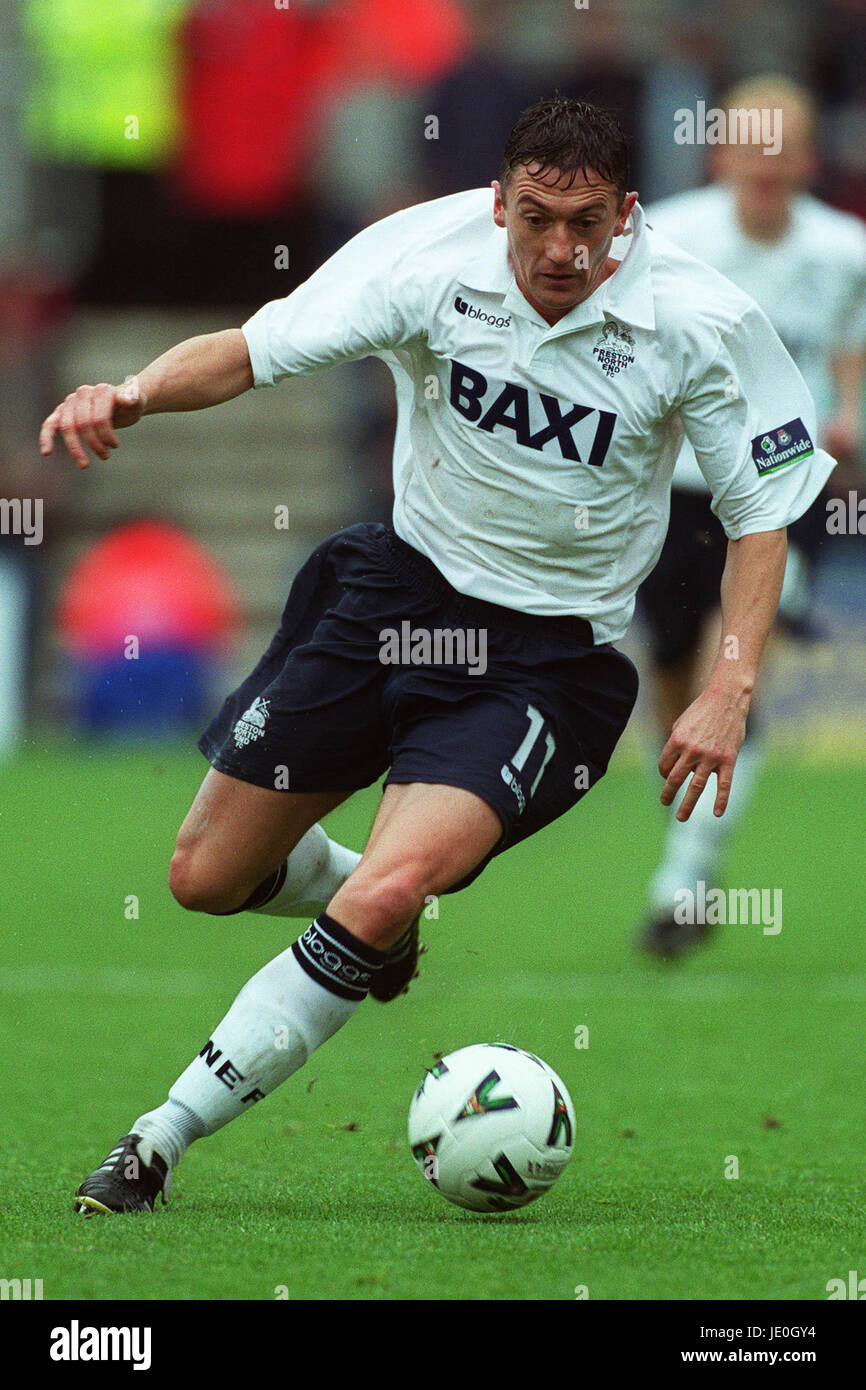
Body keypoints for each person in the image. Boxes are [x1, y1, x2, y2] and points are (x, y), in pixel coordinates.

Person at [40, 98, 835, 1215]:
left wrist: (730, 682)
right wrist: (129, 393)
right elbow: (252, 350)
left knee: (389, 885)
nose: (560, 250)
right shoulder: (427, 255)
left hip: (548, 664)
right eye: (537, 219)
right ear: (500, 201)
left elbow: (762, 513)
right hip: (393, 601)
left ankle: (156, 1140)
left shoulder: (698, 319)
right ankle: (370, 906)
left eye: (587, 224)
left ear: (627, 215)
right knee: (204, 878)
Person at [637, 75, 866, 958]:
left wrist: (846, 408)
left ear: (808, 157)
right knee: (669, 670)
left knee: (733, 665)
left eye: (783, 146)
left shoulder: (844, 249)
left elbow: (850, 336)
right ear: (720, 151)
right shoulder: (673, 236)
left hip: (780, 486)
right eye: (748, 144)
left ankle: (683, 879)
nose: (765, 162)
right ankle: (688, 841)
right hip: (676, 486)